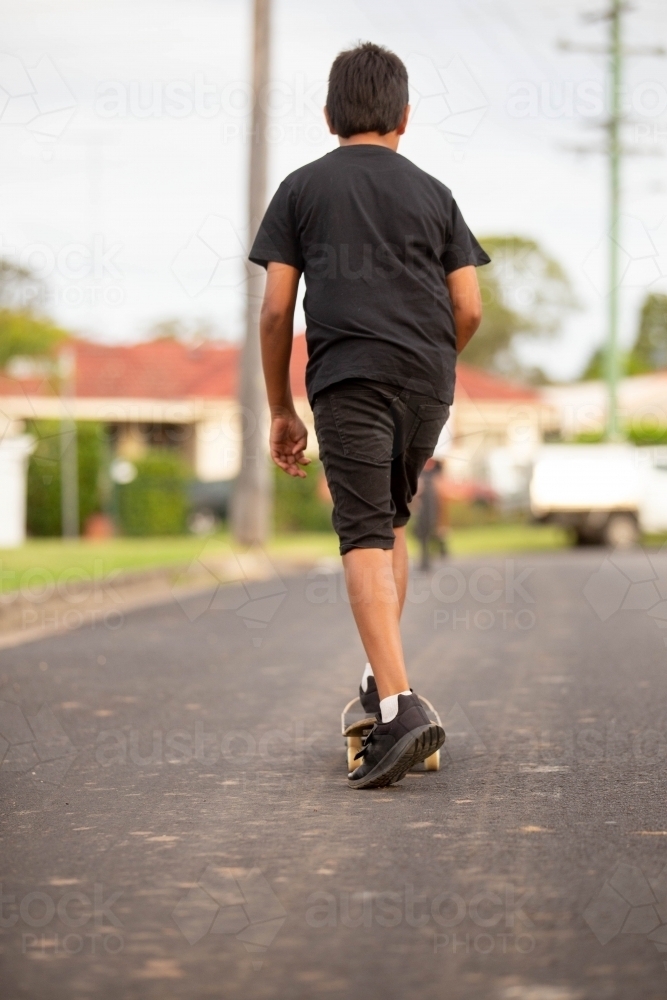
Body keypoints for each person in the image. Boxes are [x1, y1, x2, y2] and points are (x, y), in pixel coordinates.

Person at [249, 42, 488, 789]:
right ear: (404, 118)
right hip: (427, 377)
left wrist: (281, 409)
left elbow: (276, 312)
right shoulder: (433, 193)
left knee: (360, 533)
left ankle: (398, 706)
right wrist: (432, 357)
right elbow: (469, 306)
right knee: (389, 522)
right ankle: (376, 685)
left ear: (328, 115)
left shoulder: (300, 189)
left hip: (350, 377)